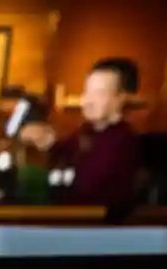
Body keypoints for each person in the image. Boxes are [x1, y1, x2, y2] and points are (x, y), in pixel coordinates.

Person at [20, 58, 142, 208]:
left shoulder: (123, 141)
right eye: (86, 92)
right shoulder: (86, 132)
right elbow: (64, 154)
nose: (87, 101)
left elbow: (88, 189)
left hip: (95, 226)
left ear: (120, 99)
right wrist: (48, 142)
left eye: (99, 93)